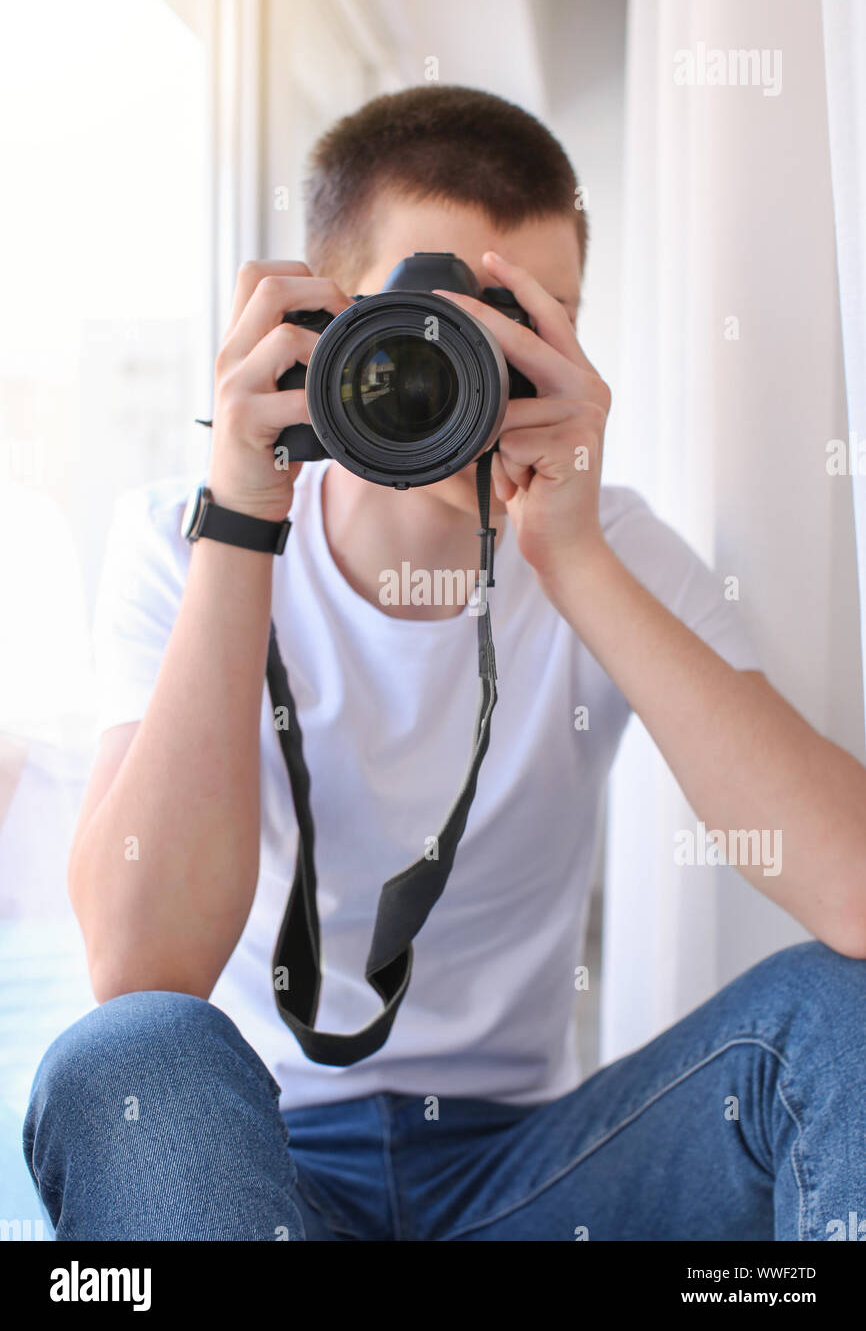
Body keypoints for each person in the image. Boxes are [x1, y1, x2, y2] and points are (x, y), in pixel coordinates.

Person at [24, 86, 866, 1242]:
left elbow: (855, 893)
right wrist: (243, 519)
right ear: (320, 324)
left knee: (844, 1012)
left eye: (528, 320)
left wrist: (568, 557)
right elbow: (141, 962)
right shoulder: (184, 532)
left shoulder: (607, 545)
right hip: (263, 1172)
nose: (472, 361)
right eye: (435, 318)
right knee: (129, 1054)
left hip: (530, 1178)